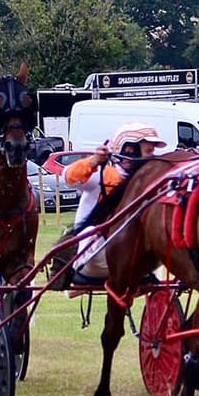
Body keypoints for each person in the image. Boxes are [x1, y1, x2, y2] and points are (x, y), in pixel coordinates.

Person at [61, 122, 167, 284]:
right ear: (129, 150)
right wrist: (93, 161)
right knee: (91, 233)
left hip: (129, 255)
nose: (153, 157)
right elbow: (68, 178)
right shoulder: (105, 175)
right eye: (149, 151)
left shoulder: (150, 181)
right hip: (94, 257)